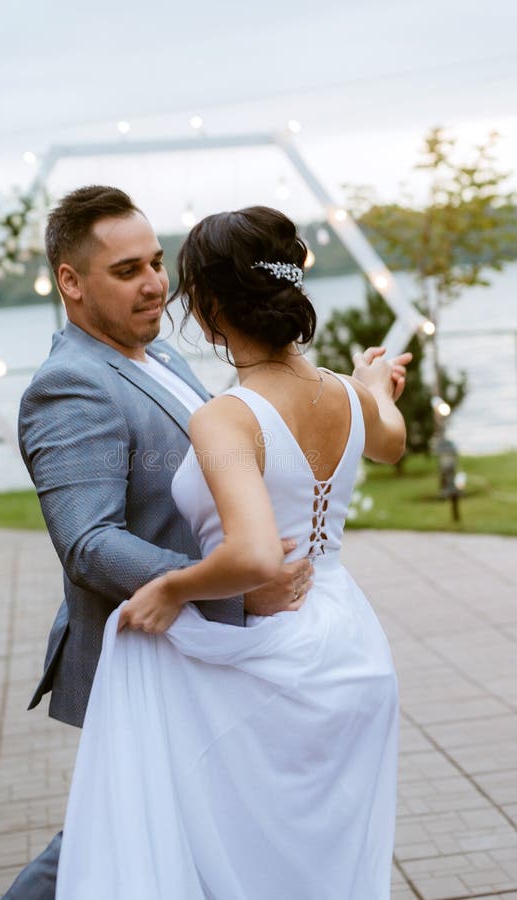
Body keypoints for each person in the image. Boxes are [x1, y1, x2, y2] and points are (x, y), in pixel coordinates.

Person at [54, 205, 411, 899]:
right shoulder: (341, 391)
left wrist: (170, 589)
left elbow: (252, 557)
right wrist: (372, 388)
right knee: (320, 864)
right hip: (350, 644)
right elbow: (391, 439)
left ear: (210, 307)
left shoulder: (226, 415)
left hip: (270, 654)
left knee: (223, 846)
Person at [3, 186, 329, 900]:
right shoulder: (69, 384)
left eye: (155, 262)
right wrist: (233, 581)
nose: (155, 284)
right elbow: (88, 544)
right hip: (149, 653)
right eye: (127, 271)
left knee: (154, 828)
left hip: (203, 650)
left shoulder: (162, 360)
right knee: (103, 837)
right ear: (70, 282)